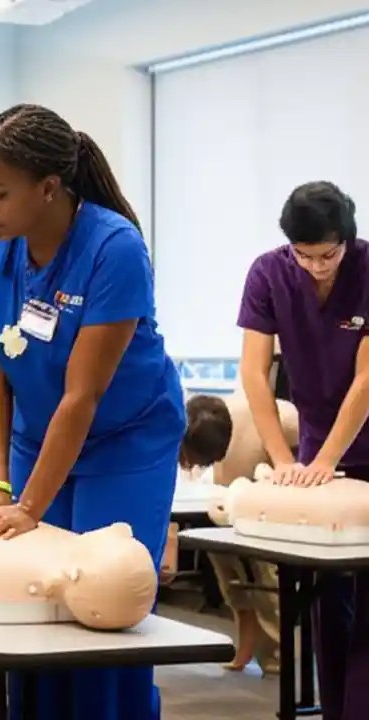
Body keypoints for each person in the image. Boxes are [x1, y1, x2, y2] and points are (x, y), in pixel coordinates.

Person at [0, 103, 185, 720]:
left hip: (125, 442)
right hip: (36, 432)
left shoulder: (114, 249)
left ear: (48, 188)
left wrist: (32, 505)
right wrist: (0, 487)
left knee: (102, 597)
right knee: (33, 595)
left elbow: (84, 396)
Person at [236, 180, 369, 720]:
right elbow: (254, 370)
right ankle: (333, 708)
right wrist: (284, 458)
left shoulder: (367, 269)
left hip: (350, 443)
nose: (316, 266)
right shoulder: (268, 273)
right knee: (326, 596)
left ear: (348, 241)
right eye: (305, 255)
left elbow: (366, 381)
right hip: (315, 447)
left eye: (328, 254)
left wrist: (327, 461)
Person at [181, 393, 299, 674]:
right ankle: (245, 646)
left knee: (265, 574)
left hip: (274, 490)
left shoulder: (285, 421)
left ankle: (276, 655)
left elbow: (294, 480)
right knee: (227, 567)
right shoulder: (200, 421)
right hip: (231, 491)